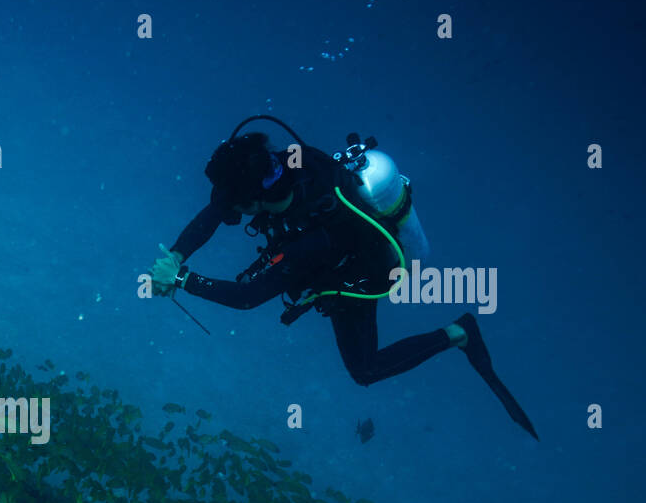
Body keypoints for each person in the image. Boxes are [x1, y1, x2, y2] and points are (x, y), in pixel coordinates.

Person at [151, 119, 538, 440]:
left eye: (235, 202)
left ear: (255, 200)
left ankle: (459, 333)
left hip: (357, 273)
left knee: (364, 370)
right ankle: (458, 333)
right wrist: (176, 255)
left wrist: (183, 279)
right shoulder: (280, 165)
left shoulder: (316, 237)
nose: (227, 207)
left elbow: (248, 297)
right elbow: (213, 213)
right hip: (319, 251)